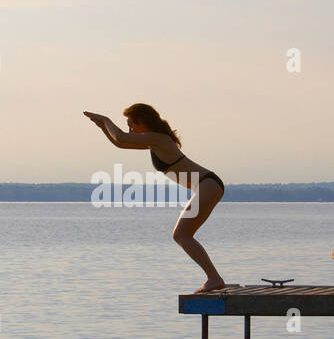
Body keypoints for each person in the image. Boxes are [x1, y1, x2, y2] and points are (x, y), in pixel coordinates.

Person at [84, 103, 228, 292]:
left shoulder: (158, 138)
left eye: (131, 124)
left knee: (182, 235)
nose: (130, 129)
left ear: (142, 121)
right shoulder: (154, 140)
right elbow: (120, 143)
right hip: (207, 185)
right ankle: (214, 278)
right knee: (182, 235)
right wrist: (103, 127)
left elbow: (121, 136)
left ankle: (214, 279)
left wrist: (106, 120)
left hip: (207, 184)